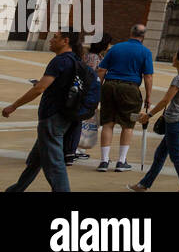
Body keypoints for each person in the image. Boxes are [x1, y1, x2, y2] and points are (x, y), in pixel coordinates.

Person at [3, 29, 82, 193]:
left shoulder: (60, 61)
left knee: (55, 164)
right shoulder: (75, 60)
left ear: (65, 41)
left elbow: (39, 88)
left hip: (52, 117)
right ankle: (16, 189)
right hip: (63, 115)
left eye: (55, 37)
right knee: (35, 160)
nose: (51, 40)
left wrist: (14, 106)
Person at [129, 46, 179, 192]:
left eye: (175, 55)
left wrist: (148, 115)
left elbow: (165, 101)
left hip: (175, 122)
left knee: (176, 156)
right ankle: (144, 185)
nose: (173, 57)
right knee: (160, 155)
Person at [95, 23, 154, 172]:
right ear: (143, 36)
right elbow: (148, 76)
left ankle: (104, 161)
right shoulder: (145, 52)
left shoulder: (115, 48)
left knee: (108, 123)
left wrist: (97, 89)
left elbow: (102, 69)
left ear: (130, 32)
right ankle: (121, 161)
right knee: (128, 125)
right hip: (130, 88)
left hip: (109, 85)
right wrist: (148, 97)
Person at [63, 34, 109, 165]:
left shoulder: (89, 55)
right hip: (87, 93)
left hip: (84, 92)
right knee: (81, 122)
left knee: (81, 122)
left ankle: (74, 148)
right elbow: (90, 75)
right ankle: (74, 148)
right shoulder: (94, 58)